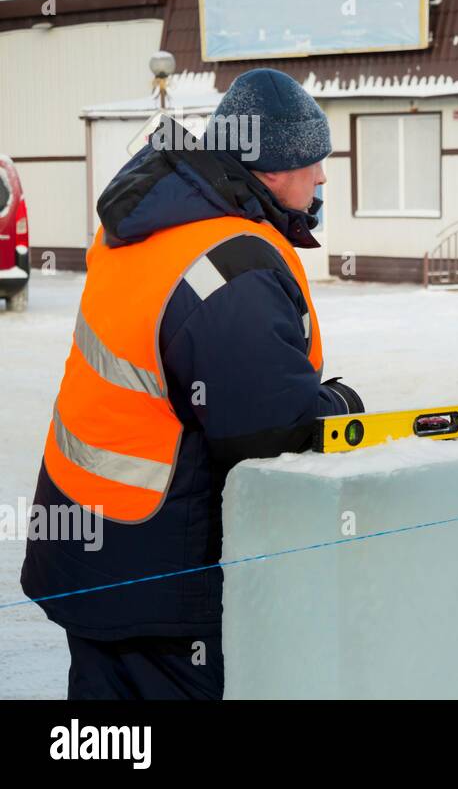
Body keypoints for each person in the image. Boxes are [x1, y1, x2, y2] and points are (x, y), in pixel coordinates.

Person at [22, 68, 364, 699]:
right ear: (270, 169)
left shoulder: (152, 224)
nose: (321, 178)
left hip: (84, 536)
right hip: (156, 567)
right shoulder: (232, 265)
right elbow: (269, 427)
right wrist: (339, 404)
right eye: (311, 161)